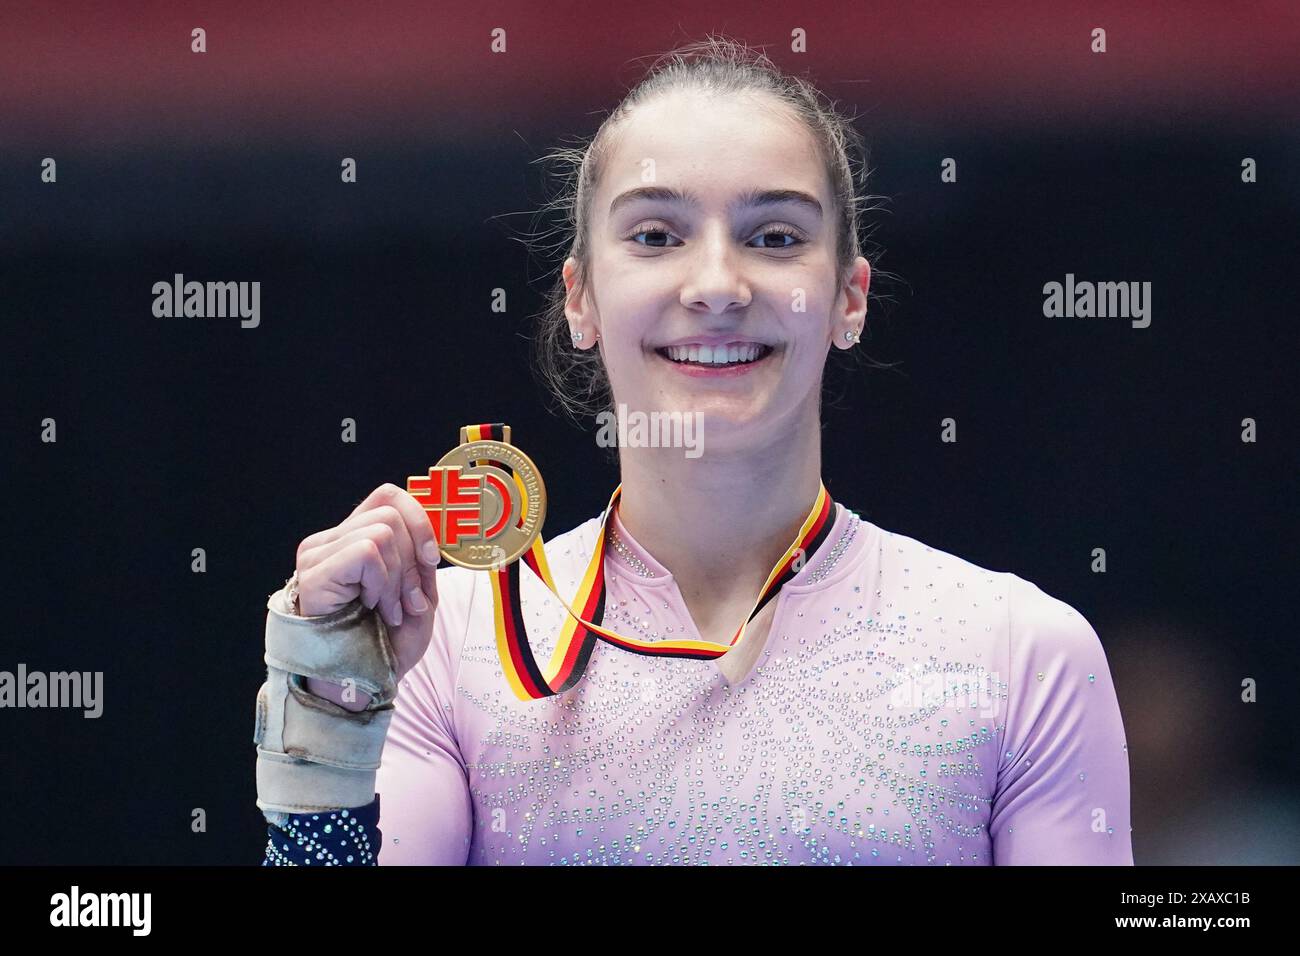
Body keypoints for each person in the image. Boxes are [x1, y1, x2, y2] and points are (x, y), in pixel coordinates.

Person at [255, 36, 1133, 866]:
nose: (717, 285)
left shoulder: (1019, 654)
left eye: (776, 237)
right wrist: (329, 714)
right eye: (655, 236)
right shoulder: (447, 642)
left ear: (849, 298)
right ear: (580, 299)